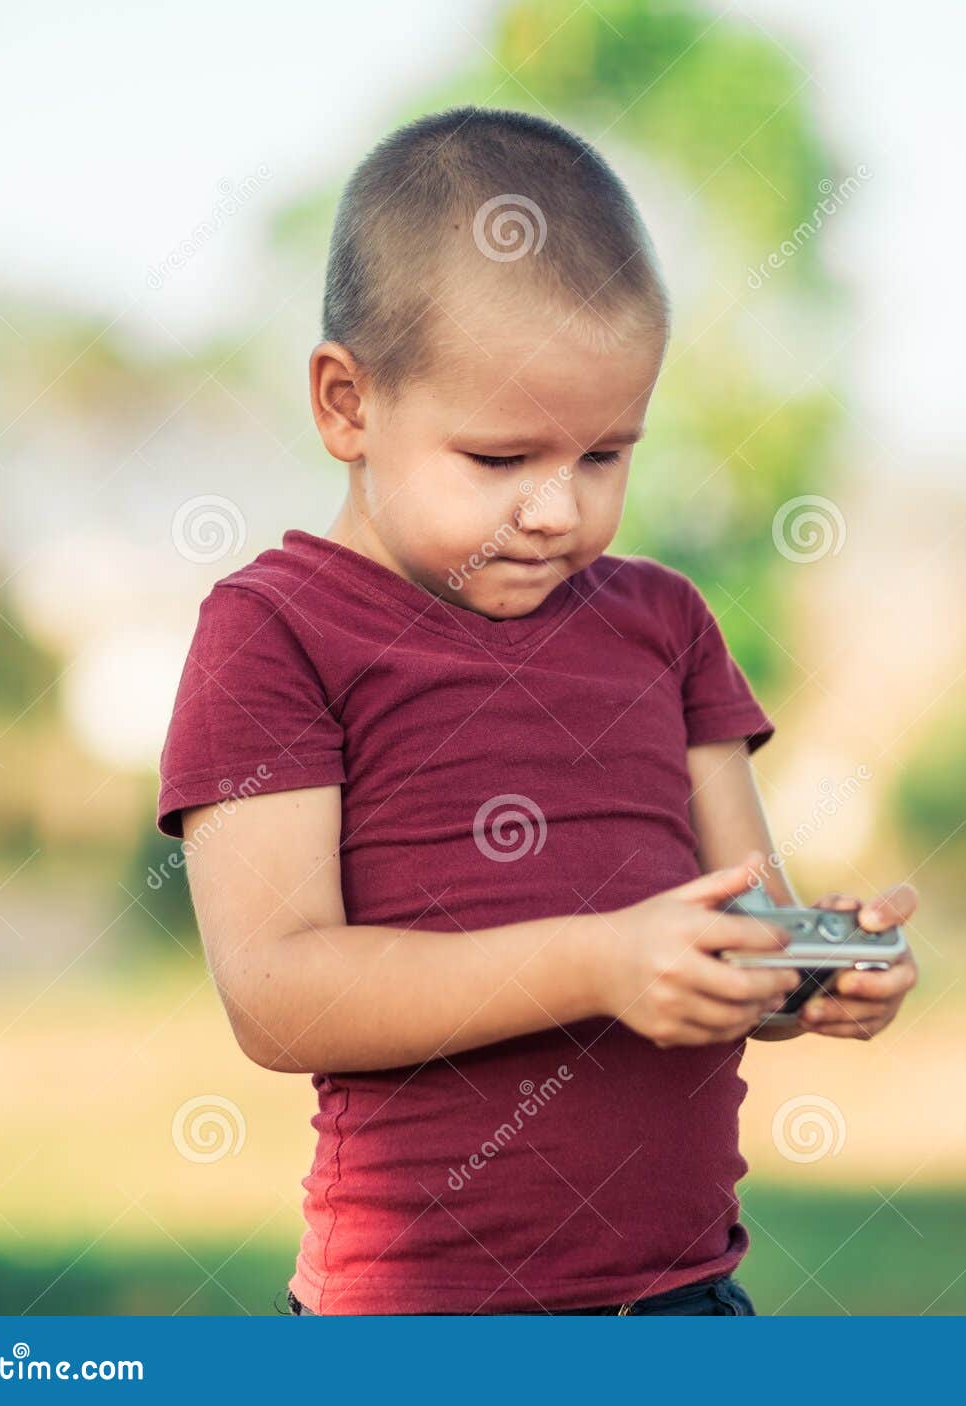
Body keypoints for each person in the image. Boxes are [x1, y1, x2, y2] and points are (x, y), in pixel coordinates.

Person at [155, 106, 918, 1317]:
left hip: (684, 1301)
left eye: (606, 454)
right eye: (501, 459)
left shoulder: (664, 626)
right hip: (419, 1317)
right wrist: (597, 961)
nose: (559, 511)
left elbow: (737, 927)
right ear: (347, 403)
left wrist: (807, 971)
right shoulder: (277, 632)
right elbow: (277, 992)